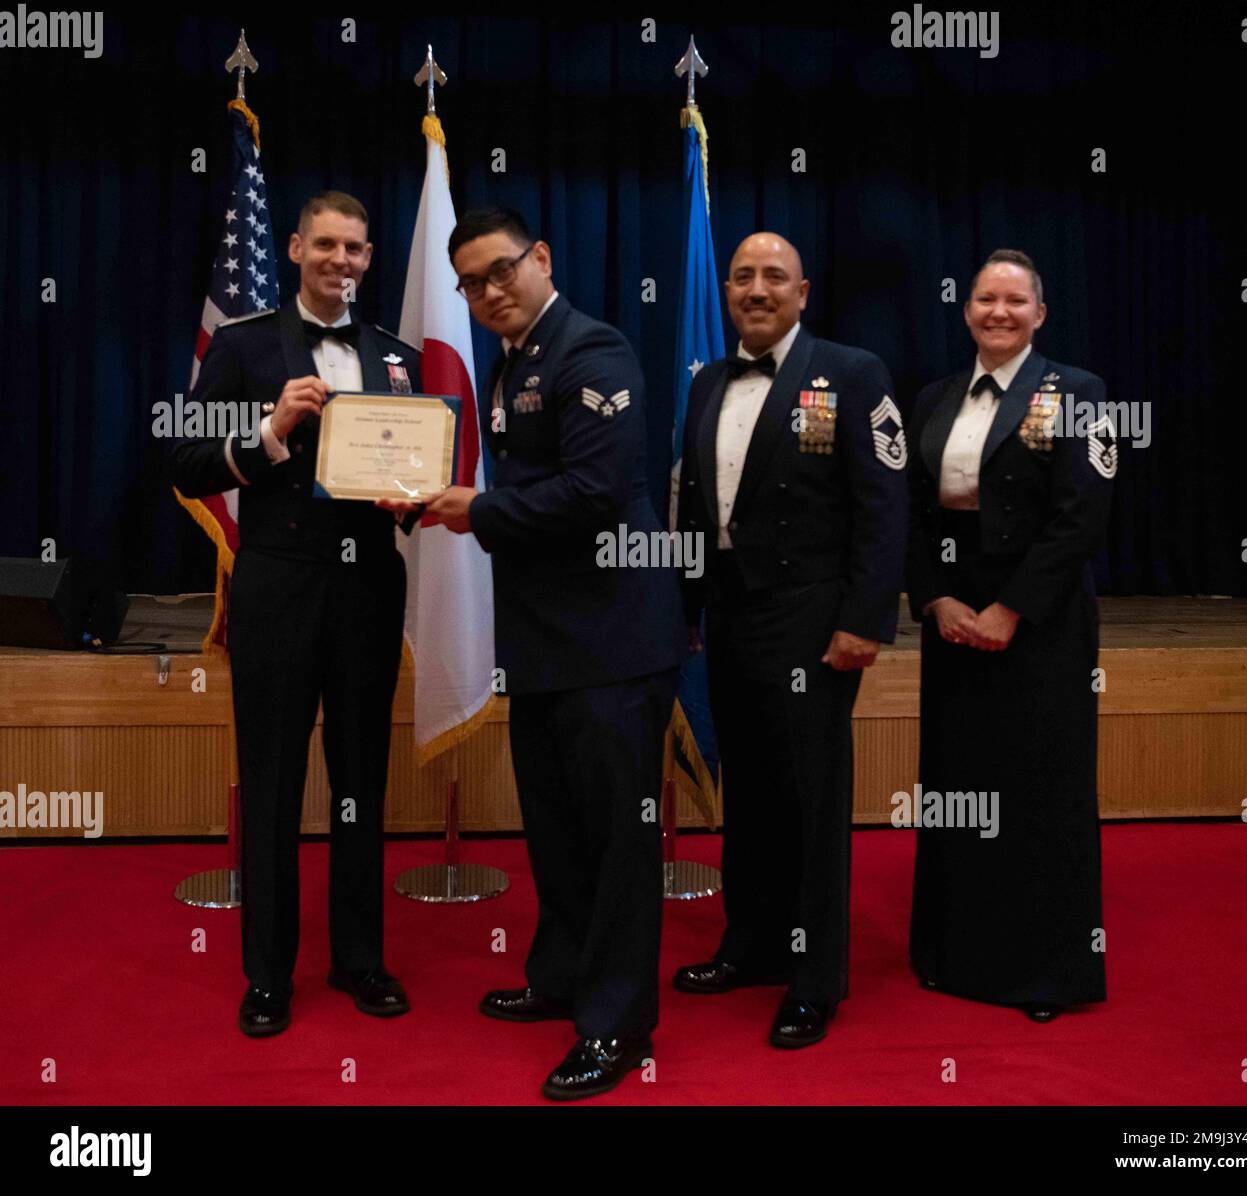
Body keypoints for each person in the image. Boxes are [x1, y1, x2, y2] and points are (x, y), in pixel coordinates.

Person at [430, 207, 684, 1100]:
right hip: (547, 645)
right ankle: (564, 975)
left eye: (501, 271)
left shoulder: (592, 349)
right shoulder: (517, 360)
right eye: (471, 282)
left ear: (542, 257)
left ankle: (615, 1025)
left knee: (617, 843)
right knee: (559, 830)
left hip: (611, 643)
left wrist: (476, 511)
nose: (488, 291)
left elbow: (597, 492)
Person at [170, 191, 422, 1037]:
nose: (340, 261)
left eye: (354, 248)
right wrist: (268, 434)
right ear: (293, 248)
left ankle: (359, 959)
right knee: (274, 781)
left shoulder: (396, 357)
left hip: (367, 594)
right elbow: (183, 456)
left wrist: (414, 503)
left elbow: (418, 469)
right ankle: (268, 975)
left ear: (368, 258)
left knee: (361, 780)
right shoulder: (243, 347)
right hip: (277, 586)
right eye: (325, 245)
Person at [672, 233, 908, 1048]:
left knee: (810, 801)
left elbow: (884, 508)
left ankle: (815, 978)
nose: (757, 288)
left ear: (803, 291)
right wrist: (686, 609)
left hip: (812, 620)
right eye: (743, 277)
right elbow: (694, 507)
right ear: (728, 292)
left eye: (775, 276)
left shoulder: (852, 373)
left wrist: (864, 620)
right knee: (752, 795)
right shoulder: (705, 381)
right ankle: (751, 945)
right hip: (731, 616)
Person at [905, 248, 1114, 1022]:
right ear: (966, 310)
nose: (999, 312)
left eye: (1016, 301)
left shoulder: (1079, 393)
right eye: (986, 299)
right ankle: (952, 953)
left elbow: (1080, 519)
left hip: (1042, 619)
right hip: (953, 615)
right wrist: (934, 601)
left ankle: (1044, 970)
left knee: (1039, 792)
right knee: (958, 787)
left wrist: (1010, 610)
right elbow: (912, 514)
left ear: (1040, 315)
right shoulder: (932, 398)